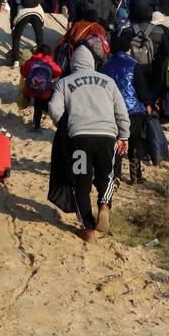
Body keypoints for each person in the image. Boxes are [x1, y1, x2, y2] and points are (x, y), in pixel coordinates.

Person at [48, 44, 130, 240]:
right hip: (106, 137)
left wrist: (64, 124)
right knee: (106, 177)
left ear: (73, 63)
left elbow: (54, 109)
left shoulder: (65, 82)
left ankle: (88, 227)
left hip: (79, 139)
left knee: (80, 183)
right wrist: (124, 135)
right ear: (92, 62)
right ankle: (104, 204)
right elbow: (121, 110)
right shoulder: (108, 81)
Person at [99, 32, 148, 184]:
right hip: (133, 110)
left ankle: (116, 175)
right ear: (128, 49)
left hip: (112, 111)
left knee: (117, 143)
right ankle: (135, 175)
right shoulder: (134, 65)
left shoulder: (105, 67)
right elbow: (141, 90)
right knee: (135, 142)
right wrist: (148, 104)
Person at [20, 43, 62, 129]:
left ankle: (37, 124)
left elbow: (23, 72)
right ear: (49, 53)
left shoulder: (32, 61)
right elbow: (58, 71)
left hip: (31, 89)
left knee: (37, 104)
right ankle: (42, 120)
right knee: (43, 102)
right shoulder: (50, 62)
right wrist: (50, 76)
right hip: (45, 90)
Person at [7, 0, 46, 67]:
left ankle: (16, 61)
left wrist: (12, 25)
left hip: (23, 14)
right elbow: (42, 1)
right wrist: (42, 24)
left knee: (16, 37)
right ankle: (42, 59)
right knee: (39, 37)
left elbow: (13, 12)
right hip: (38, 14)